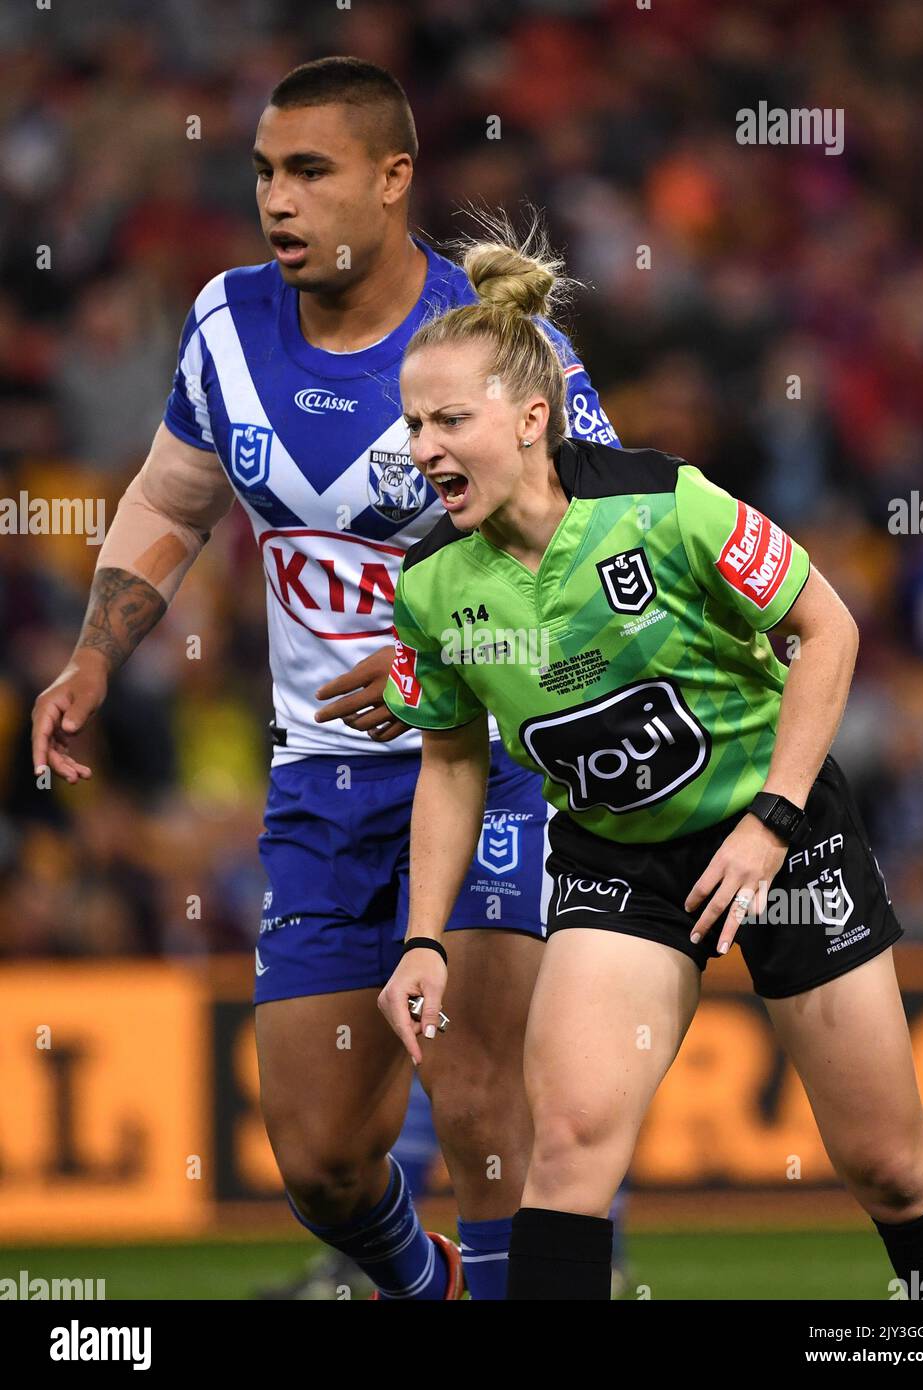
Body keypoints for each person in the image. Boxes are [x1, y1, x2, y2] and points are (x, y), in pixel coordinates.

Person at [30, 57, 619, 1301]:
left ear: (393, 180)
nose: (277, 202)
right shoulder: (224, 326)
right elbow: (172, 498)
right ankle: (435, 1287)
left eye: (309, 172)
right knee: (321, 1162)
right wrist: (93, 651)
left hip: (492, 766)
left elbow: (604, 557)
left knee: (472, 1086)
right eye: (263, 174)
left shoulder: (505, 352)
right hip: (321, 786)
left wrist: (429, 659)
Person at [377, 227, 923, 1300]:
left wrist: (775, 821)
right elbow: (451, 763)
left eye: (449, 419)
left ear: (530, 419)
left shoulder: (667, 504)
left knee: (889, 1166)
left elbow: (829, 630)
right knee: (564, 1153)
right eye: (414, 422)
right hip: (620, 861)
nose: (424, 447)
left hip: (781, 836)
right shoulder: (430, 585)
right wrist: (424, 933)